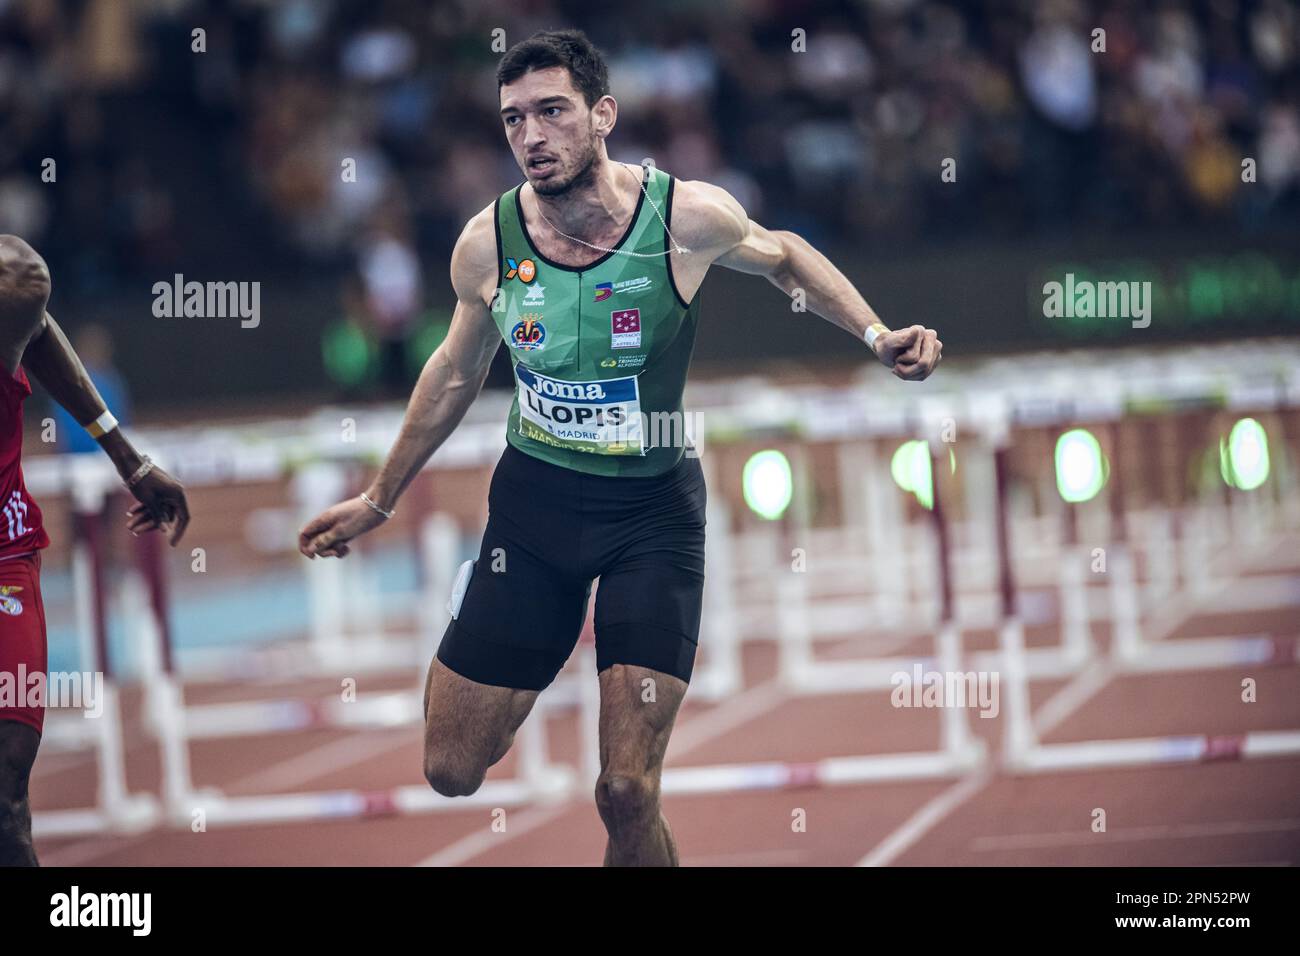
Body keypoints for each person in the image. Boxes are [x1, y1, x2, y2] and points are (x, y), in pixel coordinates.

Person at [298, 30, 941, 866]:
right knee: (451, 769)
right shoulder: (486, 244)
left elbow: (786, 260)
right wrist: (378, 497)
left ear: (602, 115)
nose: (532, 136)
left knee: (626, 791)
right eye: (513, 120)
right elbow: (456, 371)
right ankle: (484, 615)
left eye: (553, 112)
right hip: (533, 514)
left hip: (652, 517)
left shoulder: (685, 219)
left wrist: (875, 331)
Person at [0, 235, 190, 866]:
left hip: (4, 558)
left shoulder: (11, 293)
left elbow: (28, 291)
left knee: (8, 785)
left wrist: (128, 459)